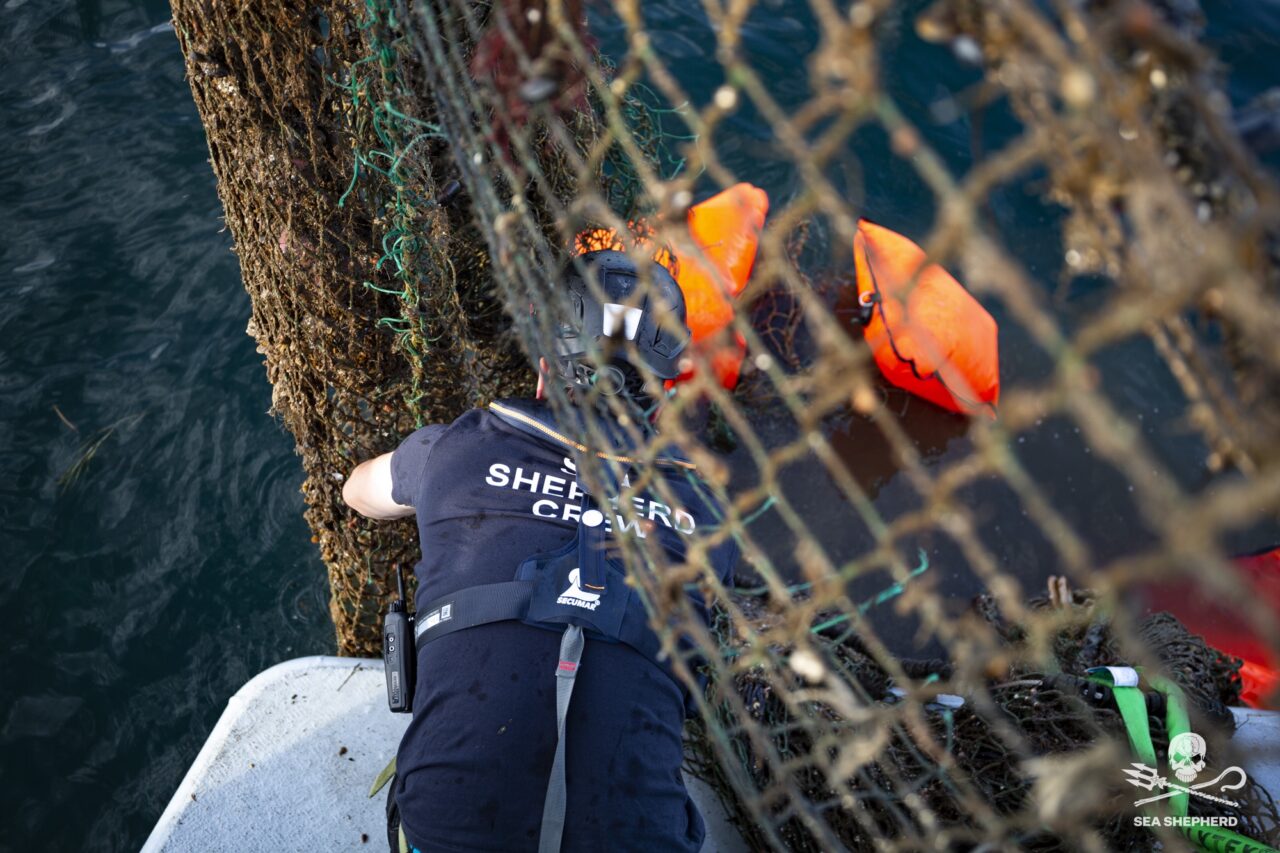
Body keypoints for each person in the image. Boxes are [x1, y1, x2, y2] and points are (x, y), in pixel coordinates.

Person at [343, 250, 739, 853]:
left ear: (544, 358)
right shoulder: (707, 515)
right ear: (664, 384)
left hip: (446, 831)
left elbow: (358, 492)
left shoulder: (456, 448)